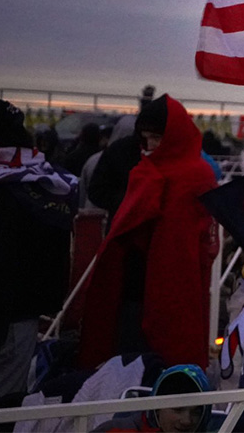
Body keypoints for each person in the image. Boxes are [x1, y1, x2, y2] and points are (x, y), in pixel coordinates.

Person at [78, 95, 219, 370]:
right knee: (130, 360)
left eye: (156, 137)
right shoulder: (150, 169)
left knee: (161, 357)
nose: (150, 145)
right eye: (146, 138)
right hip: (134, 281)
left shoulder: (194, 176)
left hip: (173, 281)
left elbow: (194, 237)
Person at [0, 98, 78, 398]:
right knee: (6, 400)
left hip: (13, 312)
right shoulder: (48, 182)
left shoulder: (10, 187)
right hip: (23, 314)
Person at [93, 364, 212, 432]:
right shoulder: (114, 430)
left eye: (196, 412)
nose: (187, 420)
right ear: (157, 408)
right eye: (178, 409)